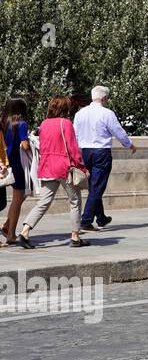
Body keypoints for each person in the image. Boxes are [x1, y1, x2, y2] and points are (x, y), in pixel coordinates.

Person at [17, 97, 89, 249]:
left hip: (47, 167)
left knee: (43, 202)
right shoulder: (66, 123)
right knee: (75, 201)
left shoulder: (44, 124)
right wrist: (82, 167)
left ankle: (24, 231)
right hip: (64, 167)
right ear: (65, 109)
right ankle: (75, 236)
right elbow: (73, 148)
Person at [74, 85, 136, 234]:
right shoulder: (107, 113)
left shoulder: (80, 113)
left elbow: (74, 134)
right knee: (97, 187)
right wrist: (129, 145)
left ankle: (101, 218)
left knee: (94, 186)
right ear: (104, 98)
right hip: (101, 152)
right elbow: (118, 131)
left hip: (85, 152)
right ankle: (86, 221)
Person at [2, 98, 31, 246]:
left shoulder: (4, 123)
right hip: (18, 165)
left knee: (18, 198)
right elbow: (25, 145)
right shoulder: (21, 124)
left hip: (8, 164)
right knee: (18, 200)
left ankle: (7, 225)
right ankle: (11, 233)